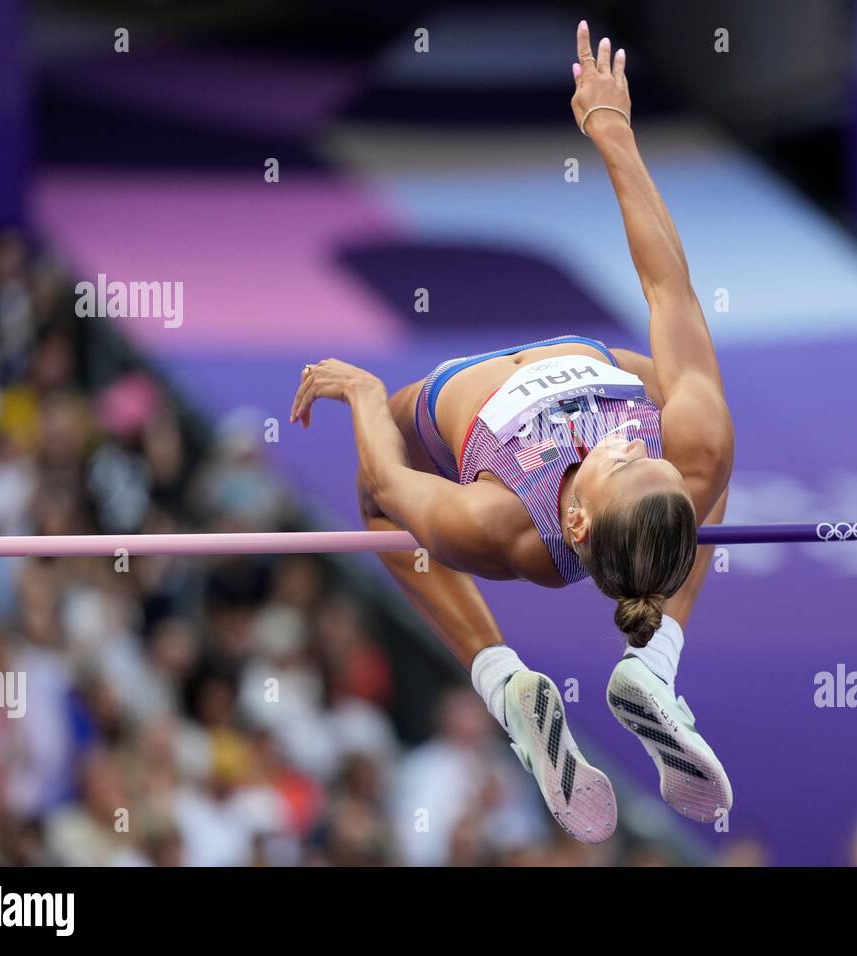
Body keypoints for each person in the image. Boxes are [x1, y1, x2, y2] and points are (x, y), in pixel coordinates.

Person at [290, 21, 733, 842]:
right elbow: (669, 288)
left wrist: (363, 391)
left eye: (628, 463)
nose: (638, 445)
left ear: (576, 520)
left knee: (378, 510)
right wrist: (615, 135)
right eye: (650, 456)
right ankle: (654, 665)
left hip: (465, 404)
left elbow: (389, 485)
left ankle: (500, 682)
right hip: (601, 367)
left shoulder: (497, 521)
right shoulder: (688, 453)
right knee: (707, 463)